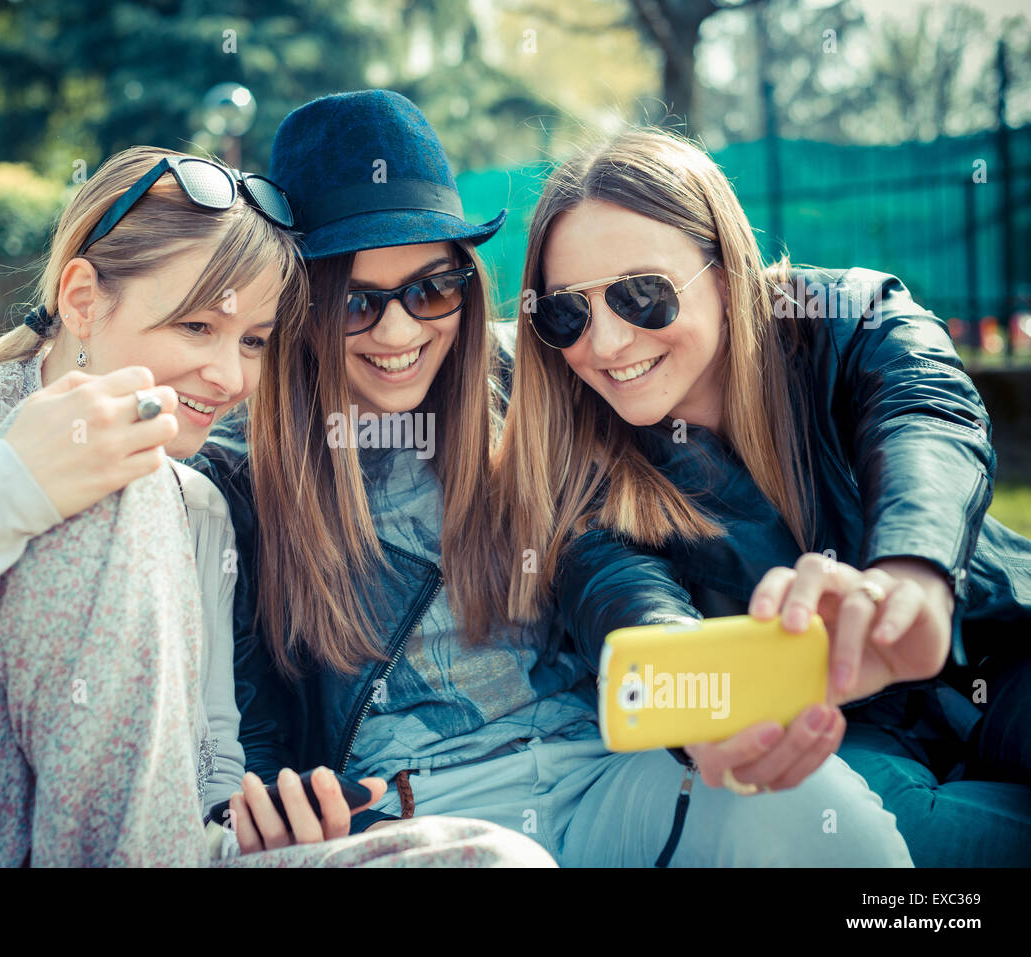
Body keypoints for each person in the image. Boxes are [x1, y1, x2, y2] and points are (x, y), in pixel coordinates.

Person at [0, 144, 551, 869]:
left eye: (253, 342)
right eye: (197, 325)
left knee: (492, 858)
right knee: (116, 481)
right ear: (84, 299)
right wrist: (13, 487)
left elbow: (208, 754)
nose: (230, 378)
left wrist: (251, 819)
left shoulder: (195, 503)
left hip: (147, 845)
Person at [192, 90, 912, 866]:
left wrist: (687, 688)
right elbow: (240, 709)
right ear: (299, 303)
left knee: (816, 807)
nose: (400, 331)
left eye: (431, 288)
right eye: (354, 303)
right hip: (413, 812)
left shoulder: (533, 386)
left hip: (603, 770)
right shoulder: (237, 473)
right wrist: (259, 806)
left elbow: (608, 566)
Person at [496, 127, 1031, 865]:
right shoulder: (580, 474)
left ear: (723, 269)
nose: (608, 343)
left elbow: (927, 415)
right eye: (567, 312)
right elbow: (633, 617)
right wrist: (705, 717)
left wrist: (911, 577)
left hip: (1001, 648)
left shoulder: (847, 316)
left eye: (642, 296)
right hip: (833, 727)